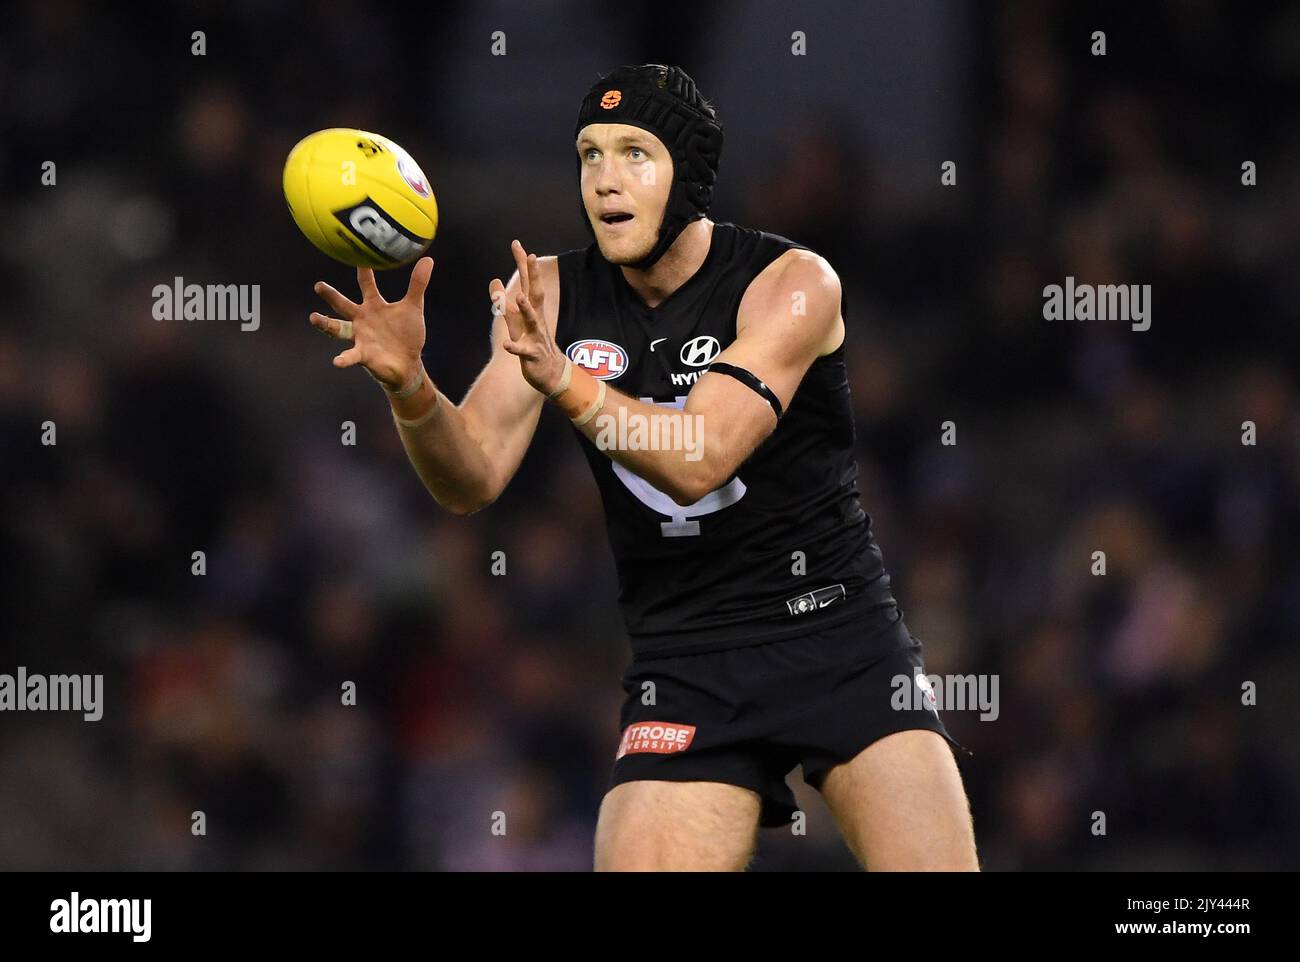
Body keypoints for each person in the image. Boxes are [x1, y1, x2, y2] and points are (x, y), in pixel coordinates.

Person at [308, 63, 979, 871]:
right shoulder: (548, 293)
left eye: (634, 153)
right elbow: (471, 477)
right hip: (684, 662)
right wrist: (412, 388)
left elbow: (701, 458)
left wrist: (562, 376)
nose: (604, 179)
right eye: (590, 154)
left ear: (688, 173)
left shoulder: (792, 284)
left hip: (840, 639)